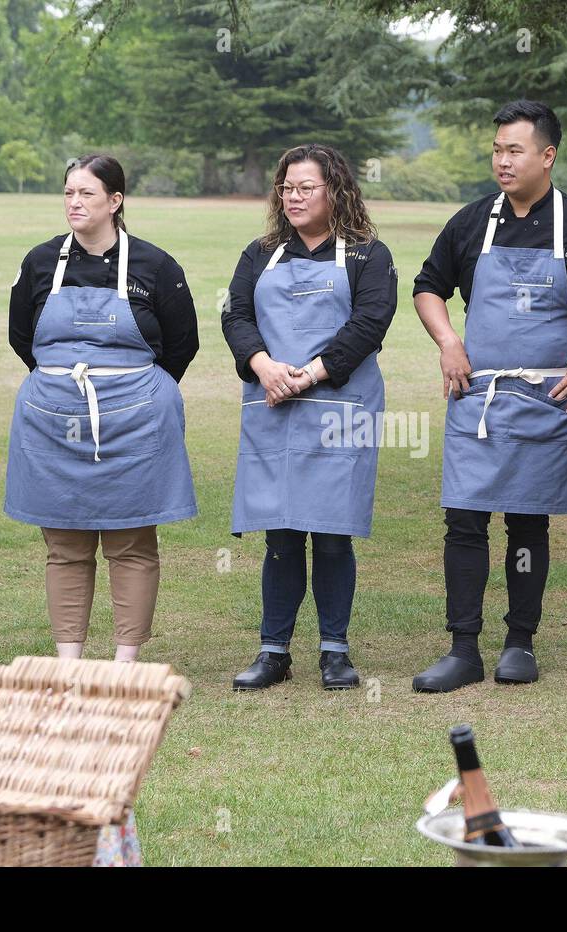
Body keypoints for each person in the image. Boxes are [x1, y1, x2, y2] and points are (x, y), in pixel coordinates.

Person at [410, 100, 567, 692]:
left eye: (515, 151)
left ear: (547, 156)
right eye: (497, 150)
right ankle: (462, 649)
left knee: (529, 525)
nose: (503, 162)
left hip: (546, 399)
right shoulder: (471, 221)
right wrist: (449, 341)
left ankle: (520, 643)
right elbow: (428, 287)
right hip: (476, 394)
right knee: (464, 522)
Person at [5, 154, 198, 661]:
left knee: (130, 543)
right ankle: (68, 660)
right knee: (64, 545)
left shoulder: (157, 266)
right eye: (68, 192)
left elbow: (182, 344)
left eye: (86, 193)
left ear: (115, 201)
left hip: (135, 422)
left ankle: (124, 660)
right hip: (54, 420)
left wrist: (133, 394)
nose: (74, 202)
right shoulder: (40, 262)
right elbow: (22, 338)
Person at [222, 144, 397, 690]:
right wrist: (264, 366)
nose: (293, 197)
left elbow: (371, 322)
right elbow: (236, 313)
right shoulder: (261, 253)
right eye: (286, 188)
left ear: (335, 191)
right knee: (281, 531)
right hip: (272, 403)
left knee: (332, 531)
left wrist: (311, 373)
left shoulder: (369, 254)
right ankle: (273, 650)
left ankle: (334, 651)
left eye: (306, 188)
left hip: (341, 409)